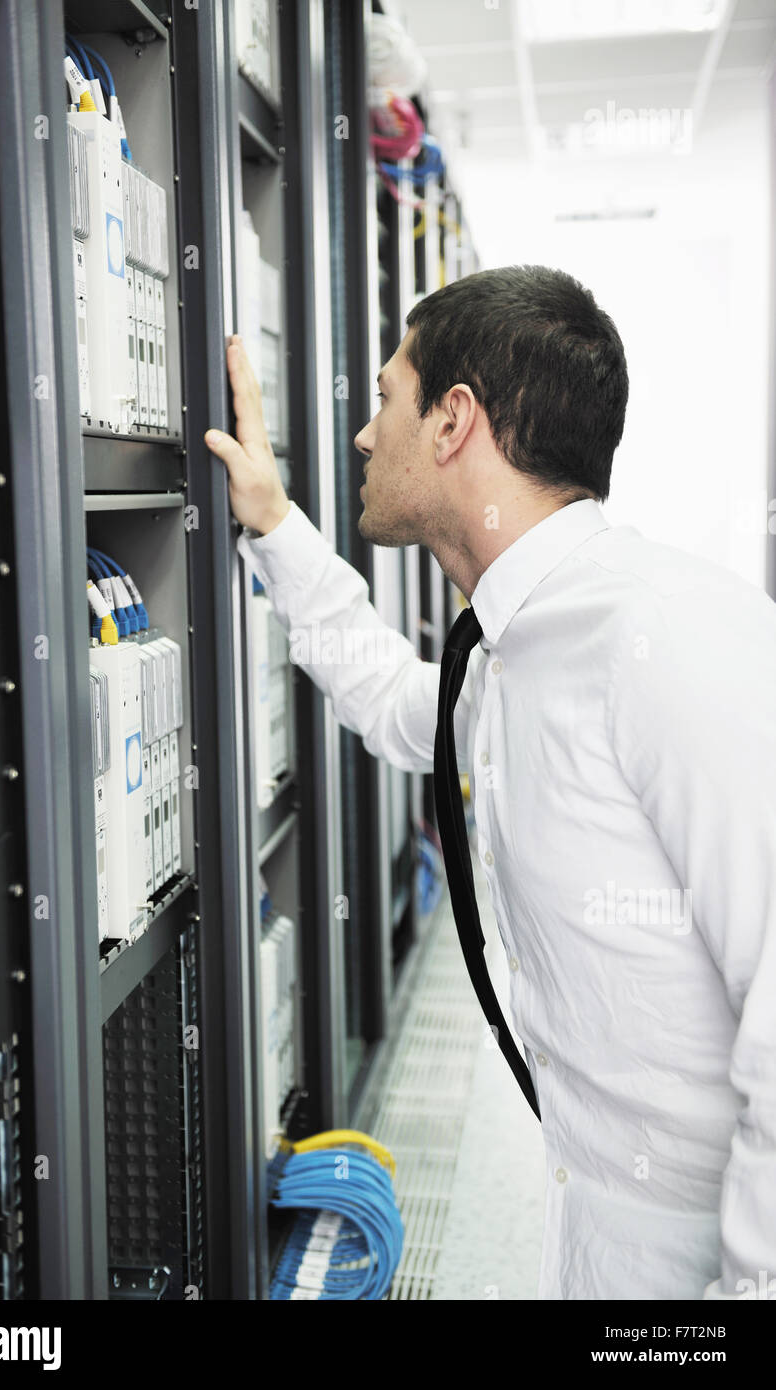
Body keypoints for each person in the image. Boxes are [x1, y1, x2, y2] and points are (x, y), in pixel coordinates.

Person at [204, 265, 776, 1301]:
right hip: (594, 1227)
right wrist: (274, 525)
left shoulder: (672, 637)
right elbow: (395, 700)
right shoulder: (516, 651)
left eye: (387, 397)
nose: (364, 435)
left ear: (453, 420)